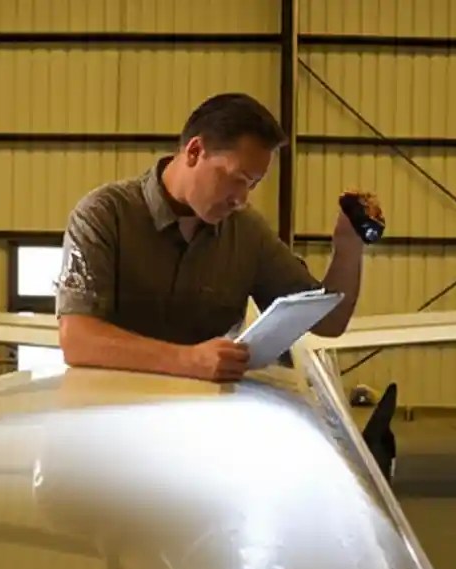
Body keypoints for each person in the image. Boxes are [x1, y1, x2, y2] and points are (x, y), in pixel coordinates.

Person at [53, 92, 376, 383]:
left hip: (204, 424)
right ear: (195, 151)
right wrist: (188, 360)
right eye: (236, 179)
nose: (241, 198)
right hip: (111, 420)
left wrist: (348, 246)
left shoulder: (248, 233)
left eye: (252, 184)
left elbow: (328, 323)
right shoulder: (104, 216)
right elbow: (78, 339)